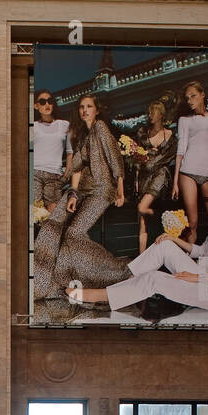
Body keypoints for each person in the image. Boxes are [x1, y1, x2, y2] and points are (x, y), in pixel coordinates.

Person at [71, 175, 208, 315]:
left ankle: (100, 296)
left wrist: (195, 277)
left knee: (155, 279)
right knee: (164, 246)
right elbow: (204, 250)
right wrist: (174, 239)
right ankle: (121, 281)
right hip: (204, 277)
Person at [32, 92, 127, 301]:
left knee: (74, 233)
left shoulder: (100, 127)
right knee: (52, 225)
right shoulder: (83, 135)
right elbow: (76, 167)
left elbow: (114, 156)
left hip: (102, 190)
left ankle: (116, 273)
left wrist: (120, 189)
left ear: (96, 109)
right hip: (82, 190)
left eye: (89, 106)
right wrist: (73, 194)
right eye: (82, 107)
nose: (84, 110)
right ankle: (44, 284)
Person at [171, 81, 208, 244]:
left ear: (202, 95)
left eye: (193, 96)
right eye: (187, 98)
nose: (190, 101)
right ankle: (187, 259)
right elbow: (180, 151)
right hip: (188, 172)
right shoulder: (185, 120)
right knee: (192, 222)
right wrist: (175, 182)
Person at [130, 100, 177, 249]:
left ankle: (162, 214)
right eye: (149, 112)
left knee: (142, 207)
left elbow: (169, 157)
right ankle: (141, 258)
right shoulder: (143, 133)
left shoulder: (170, 135)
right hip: (145, 175)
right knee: (142, 220)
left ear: (161, 114)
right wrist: (137, 176)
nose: (150, 115)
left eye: (154, 112)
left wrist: (151, 160)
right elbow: (136, 157)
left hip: (160, 175)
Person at [31, 89, 72, 216]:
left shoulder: (64, 125)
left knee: (53, 216)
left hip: (54, 176)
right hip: (35, 175)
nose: (47, 105)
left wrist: (66, 175)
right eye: (42, 102)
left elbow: (70, 152)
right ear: (36, 106)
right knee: (36, 214)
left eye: (50, 101)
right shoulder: (32, 126)